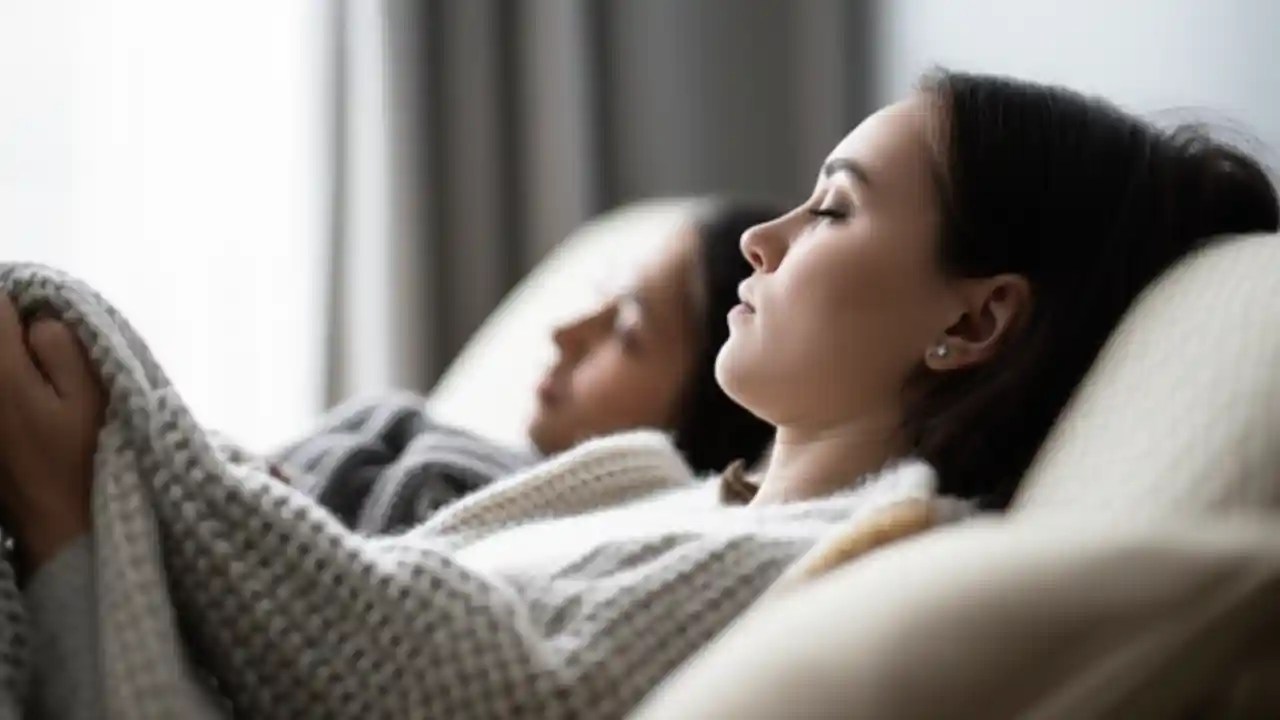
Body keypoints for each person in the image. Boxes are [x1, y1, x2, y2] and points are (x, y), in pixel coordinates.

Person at [1, 70, 1276, 718]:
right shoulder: (654, 488)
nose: (764, 240)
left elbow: (416, 667)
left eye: (831, 207)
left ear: (972, 317)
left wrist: (88, 491)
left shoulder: (855, 553)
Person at [272, 198, 778, 533]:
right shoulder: (402, 432)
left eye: (627, 330)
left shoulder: (510, 519)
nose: (566, 335)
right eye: (605, 298)